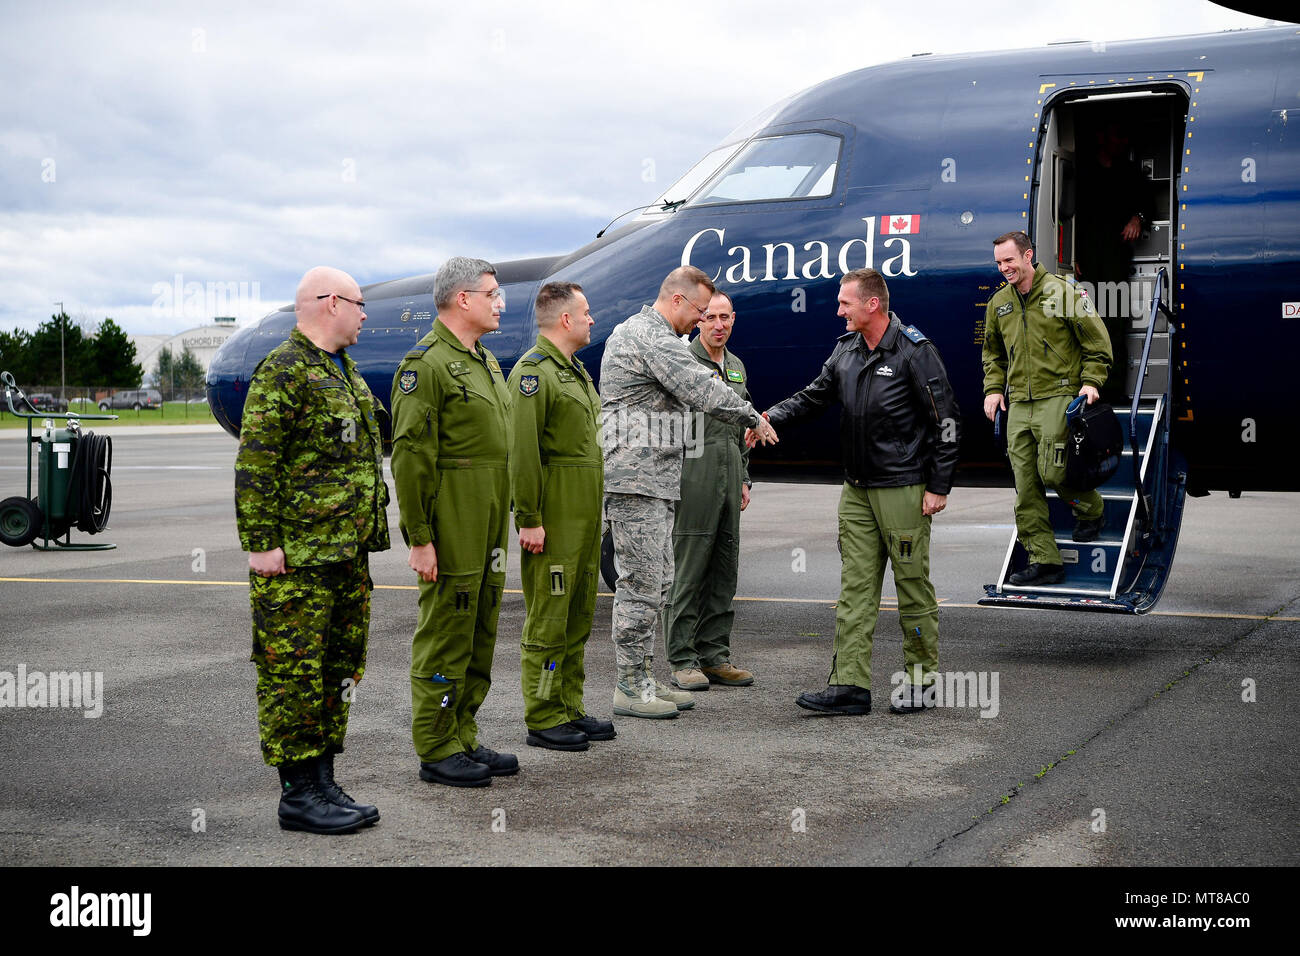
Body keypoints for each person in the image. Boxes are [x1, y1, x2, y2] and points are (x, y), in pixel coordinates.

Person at [235, 265, 390, 833]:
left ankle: (322, 779)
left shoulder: (341, 370)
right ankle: (297, 793)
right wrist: (261, 545)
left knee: (339, 667)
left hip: (345, 554)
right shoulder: (283, 370)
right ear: (330, 304)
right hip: (298, 557)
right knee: (293, 671)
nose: (365, 313)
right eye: (358, 303)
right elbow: (257, 463)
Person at [764, 268, 959, 716]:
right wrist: (770, 417)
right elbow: (815, 397)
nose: (838, 310)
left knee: (912, 589)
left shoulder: (915, 351)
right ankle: (849, 684)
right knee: (854, 589)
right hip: (856, 491)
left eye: (844, 303)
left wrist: (939, 485)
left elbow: (946, 420)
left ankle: (921, 681)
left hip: (903, 488)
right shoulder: (845, 351)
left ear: (872, 304)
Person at [600, 266, 777, 720]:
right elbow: (698, 386)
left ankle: (641, 673)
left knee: (657, 583)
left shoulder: (658, 336)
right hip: (634, 480)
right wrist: (751, 415)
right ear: (678, 301)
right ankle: (629, 684)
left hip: (655, 478)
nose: (702, 321)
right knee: (639, 586)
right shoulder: (649, 336)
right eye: (700, 311)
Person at [390, 256, 517, 788]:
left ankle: (462, 731)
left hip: (488, 518)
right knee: (447, 631)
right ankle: (436, 744)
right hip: (454, 518)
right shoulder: (427, 366)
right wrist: (419, 537)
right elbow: (410, 456)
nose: (500, 301)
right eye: (491, 293)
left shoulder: (484, 362)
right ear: (462, 299)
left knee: (480, 626)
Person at [506, 282, 613, 752]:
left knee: (578, 614)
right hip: (554, 515)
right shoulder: (533, 375)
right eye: (586, 312)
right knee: (550, 618)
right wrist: (529, 516)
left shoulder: (575, 372)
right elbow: (523, 453)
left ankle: (569, 704)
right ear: (565, 319)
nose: (592, 319)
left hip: (585, 515)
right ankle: (544, 713)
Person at [982, 231, 1112, 587]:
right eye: (998, 262)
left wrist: (1091, 381)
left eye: (1009, 260)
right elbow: (992, 352)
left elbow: (1097, 342)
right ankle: (1045, 561)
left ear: (1028, 256)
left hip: (1058, 395)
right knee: (1025, 486)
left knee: (1054, 473)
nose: (1004, 268)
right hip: (1019, 403)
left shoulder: (1063, 293)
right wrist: (993, 389)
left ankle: (1093, 510)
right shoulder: (999, 304)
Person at [663, 290, 757, 693]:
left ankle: (715, 655)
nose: (719, 325)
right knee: (689, 570)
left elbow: (743, 429)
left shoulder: (736, 367)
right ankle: (683, 658)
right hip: (693, 477)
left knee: (723, 569)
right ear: (699, 320)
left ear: (733, 319)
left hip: (729, 474)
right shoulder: (683, 362)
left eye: (726, 317)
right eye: (711, 317)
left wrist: (745, 478)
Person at [1074, 121, 1153, 404]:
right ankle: (1086, 390)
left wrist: (1137, 218)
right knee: (1085, 327)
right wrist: (1072, 255)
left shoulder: (1128, 172)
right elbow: (1068, 216)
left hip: (1115, 263)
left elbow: (1147, 203)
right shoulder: (1082, 172)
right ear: (1101, 137)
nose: (1121, 142)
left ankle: (1115, 392)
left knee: (1115, 329)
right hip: (1087, 264)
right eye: (1116, 135)